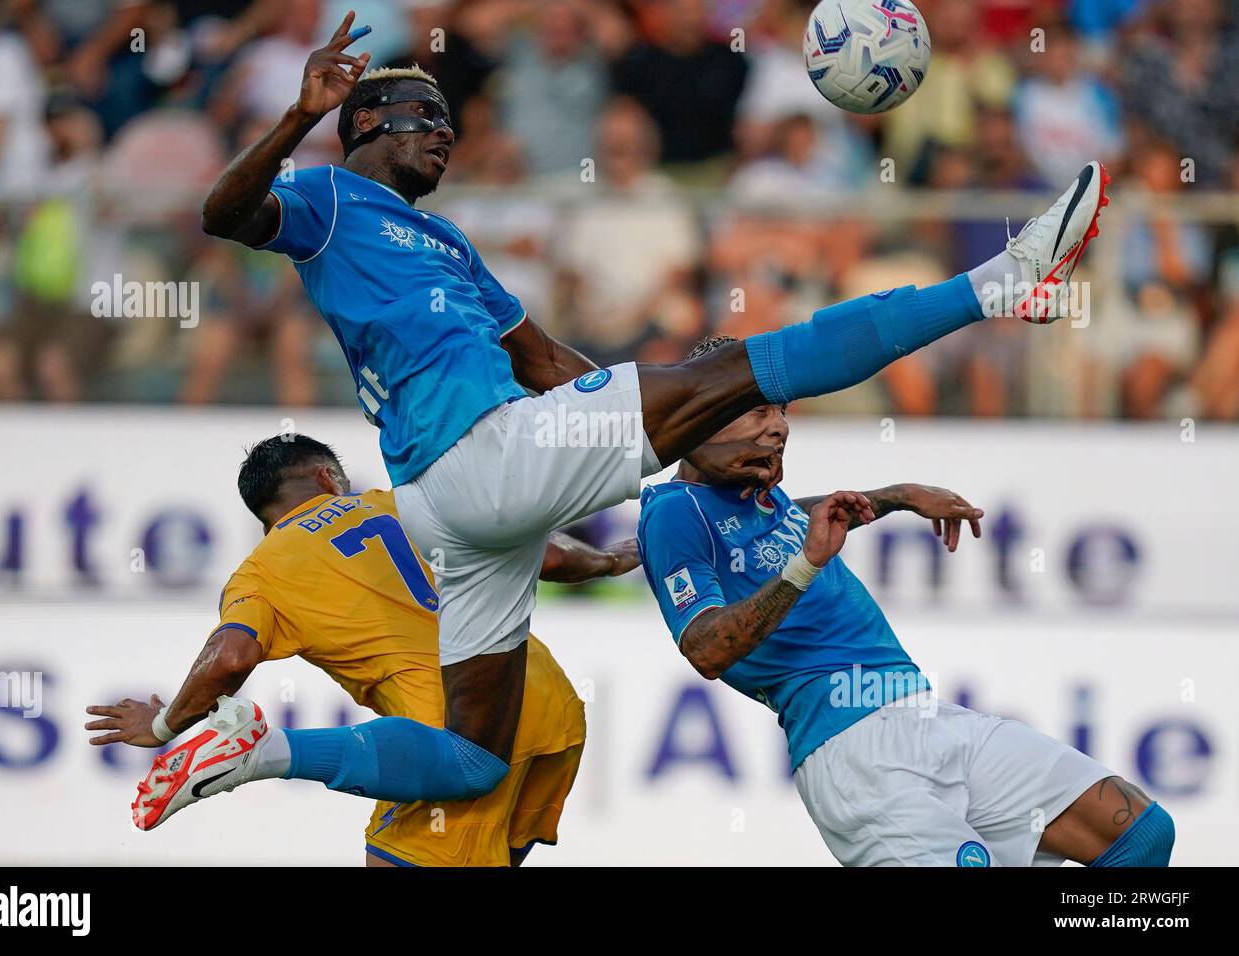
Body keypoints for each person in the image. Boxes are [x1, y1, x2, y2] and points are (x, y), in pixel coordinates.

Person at [197, 12, 1111, 807]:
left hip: (450, 504)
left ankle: (268, 751)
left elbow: (550, 363)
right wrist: (296, 118)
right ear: (366, 124)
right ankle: (1002, 284)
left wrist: (668, 437)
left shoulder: (448, 242)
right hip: (481, 454)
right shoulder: (327, 195)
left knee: (475, 757)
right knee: (742, 370)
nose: (445, 137)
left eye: (450, 123)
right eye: (426, 121)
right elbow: (223, 212)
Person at [634, 336, 1175, 867]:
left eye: (779, 408)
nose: (777, 426)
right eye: (755, 411)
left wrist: (896, 495)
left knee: (1142, 835)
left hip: (925, 716)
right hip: (854, 756)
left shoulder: (756, 494)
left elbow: (798, 511)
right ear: (700, 417)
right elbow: (704, 649)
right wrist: (805, 565)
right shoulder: (676, 512)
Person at [83, 434, 637, 866]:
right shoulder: (402, 503)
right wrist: (612, 559)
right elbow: (547, 557)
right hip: (548, 704)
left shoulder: (262, 571)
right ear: (329, 477)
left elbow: (230, 658)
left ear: (265, 515)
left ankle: (262, 752)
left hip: (449, 732)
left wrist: (165, 725)